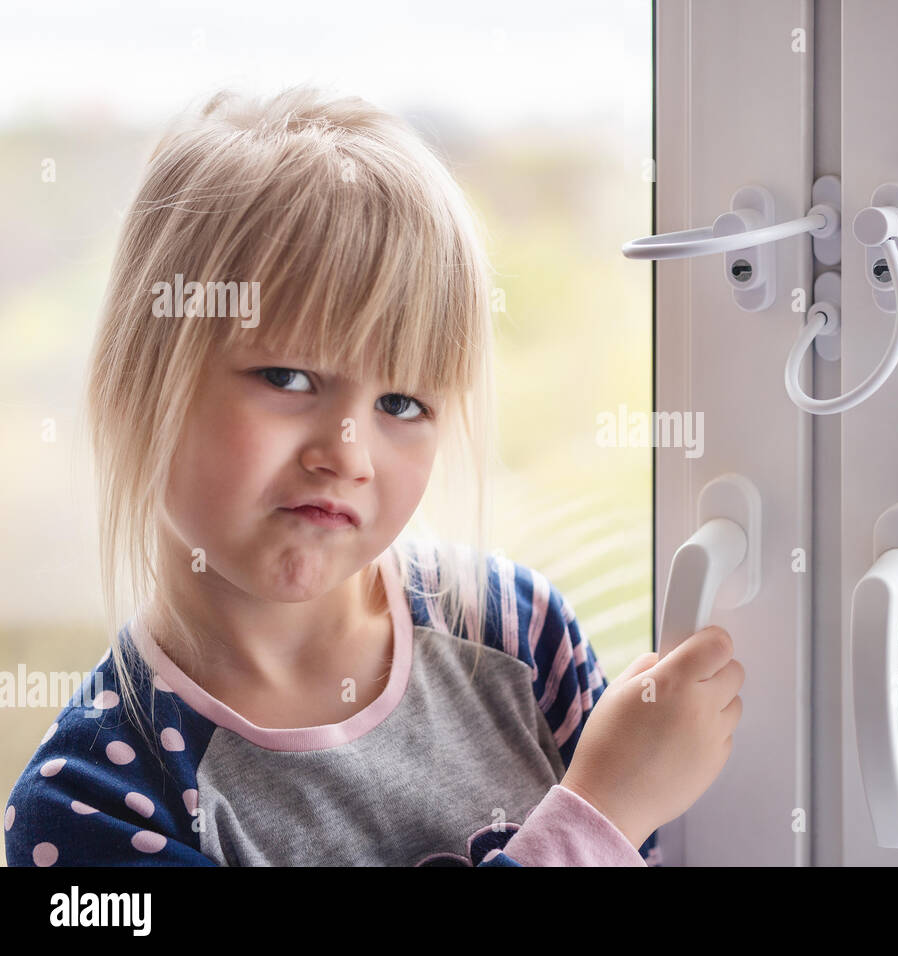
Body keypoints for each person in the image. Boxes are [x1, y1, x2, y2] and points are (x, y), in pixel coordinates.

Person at [3, 86, 743, 867]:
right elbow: (608, 825)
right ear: (137, 381)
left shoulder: (517, 634)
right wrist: (603, 810)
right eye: (288, 378)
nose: (348, 455)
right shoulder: (87, 806)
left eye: (402, 403)